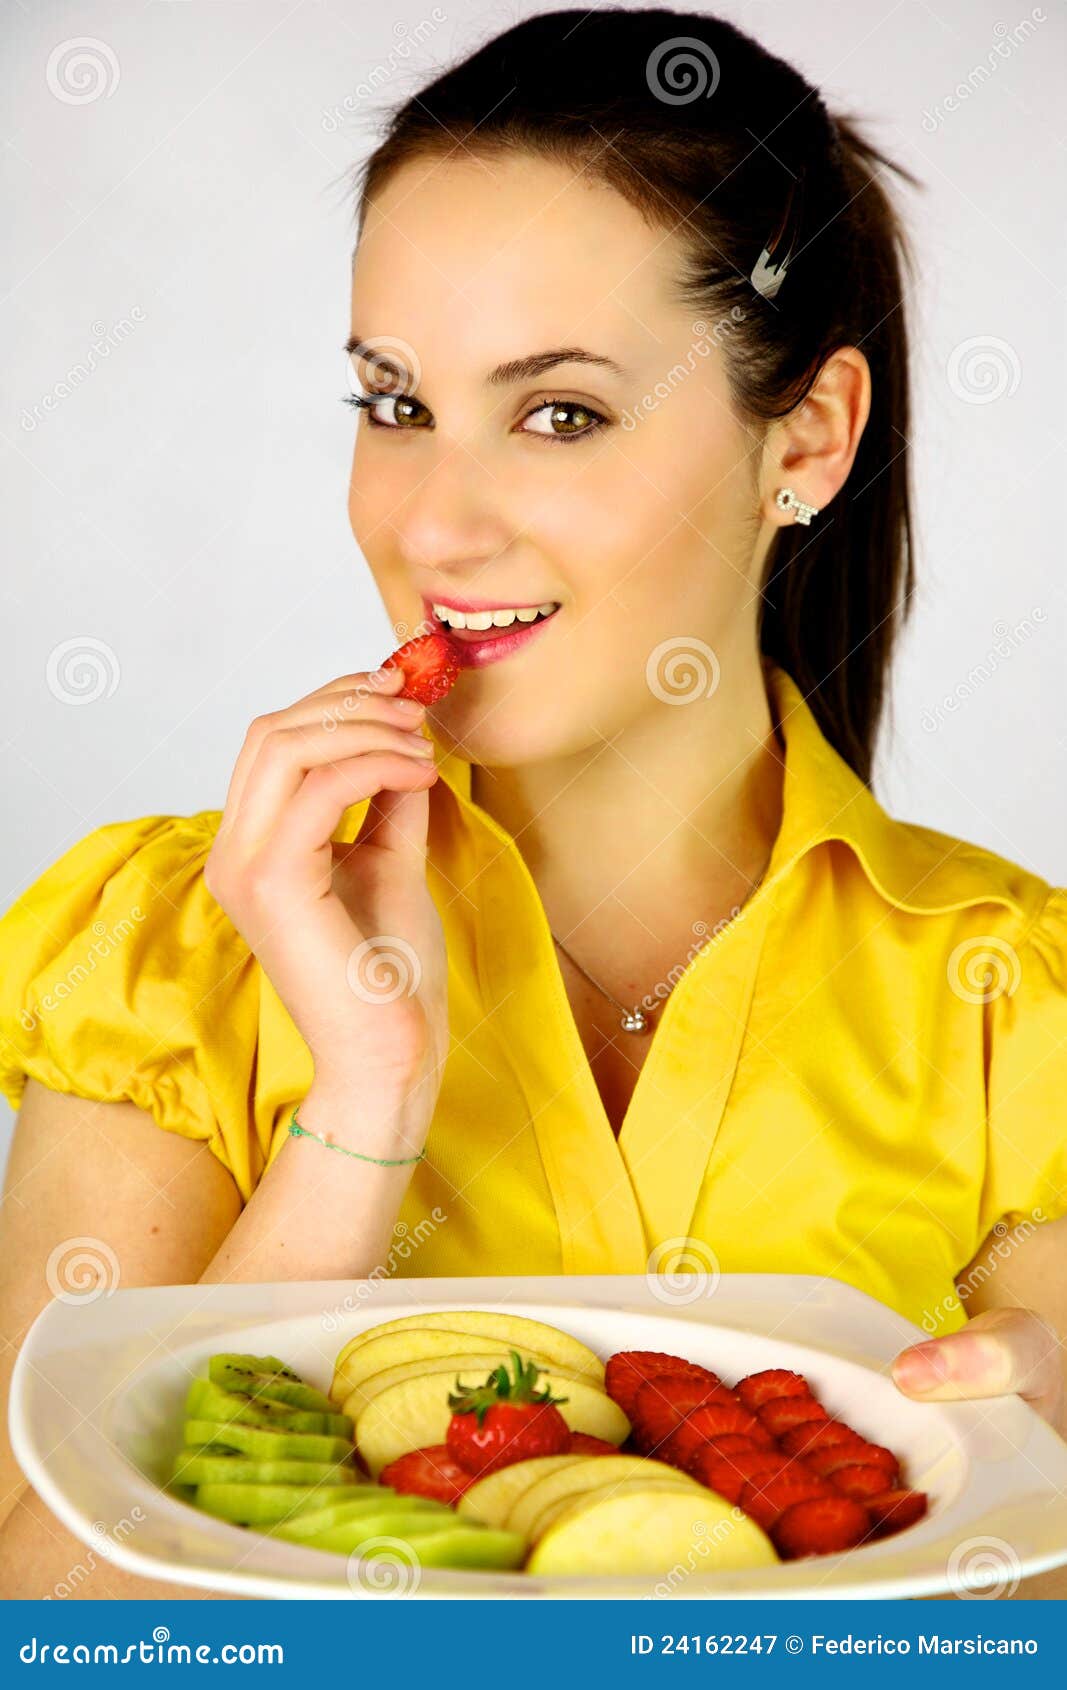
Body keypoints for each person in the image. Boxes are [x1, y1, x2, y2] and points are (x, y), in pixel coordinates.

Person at [0, 8, 1063, 1598]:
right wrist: (357, 1114)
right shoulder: (172, 950)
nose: (434, 520)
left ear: (811, 438)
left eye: (558, 413)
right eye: (394, 402)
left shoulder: (1010, 1000)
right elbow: (51, 1622)